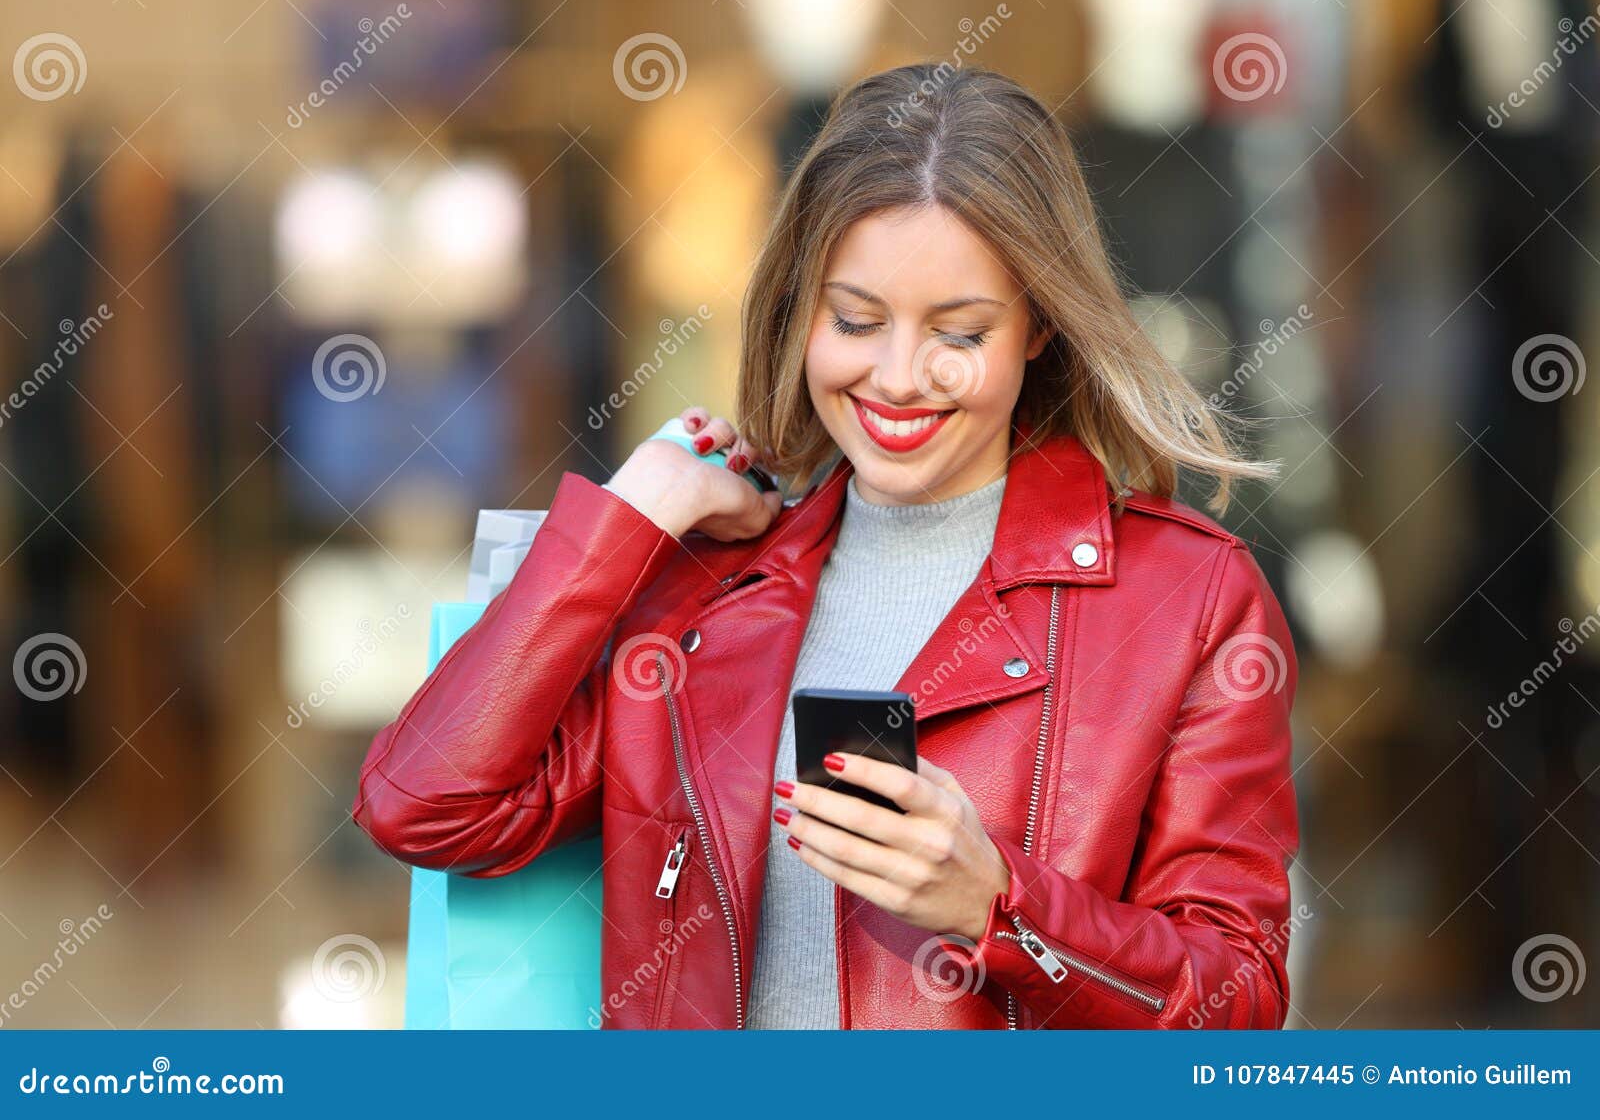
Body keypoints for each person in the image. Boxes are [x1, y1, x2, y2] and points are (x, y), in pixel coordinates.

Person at [352, 63, 1300, 1030]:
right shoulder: (707, 588)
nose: (897, 378)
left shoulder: (1190, 599)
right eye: (854, 320)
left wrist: (996, 906)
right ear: (798, 310)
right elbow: (426, 805)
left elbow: (1237, 1002)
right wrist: (626, 518)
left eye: (960, 333)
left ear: (1040, 325)